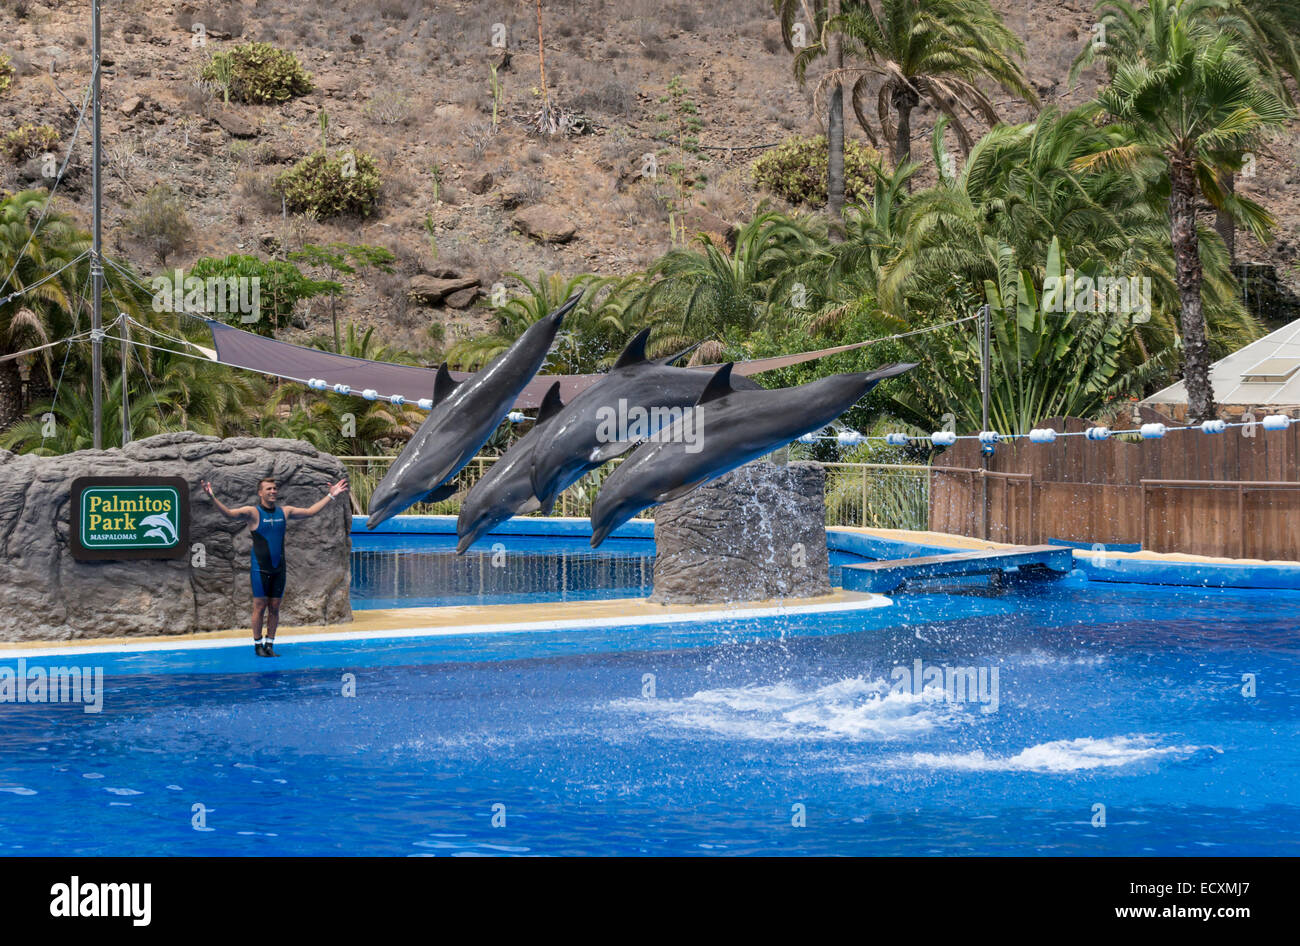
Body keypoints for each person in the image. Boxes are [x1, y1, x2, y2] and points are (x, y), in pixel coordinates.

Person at [201, 475, 349, 657]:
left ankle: (270, 643)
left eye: (274, 488)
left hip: (279, 568)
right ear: (260, 492)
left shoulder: (284, 512)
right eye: (269, 489)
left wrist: (331, 495)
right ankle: (257, 644)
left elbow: (310, 511)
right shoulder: (253, 513)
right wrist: (212, 497)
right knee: (260, 605)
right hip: (260, 568)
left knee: (275, 606)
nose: (273, 491)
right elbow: (229, 514)